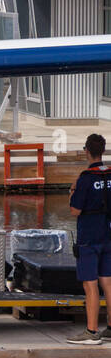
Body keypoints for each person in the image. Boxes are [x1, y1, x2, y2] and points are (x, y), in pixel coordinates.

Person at [67, 133, 111, 344]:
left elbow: (75, 210)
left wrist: (72, 192)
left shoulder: (85, 179)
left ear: (87, 150)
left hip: (89, 237)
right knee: (108, 282)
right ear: (102, 151)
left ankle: (92, 332)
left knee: (90, 284)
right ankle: (110, 329)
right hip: (108, 234)